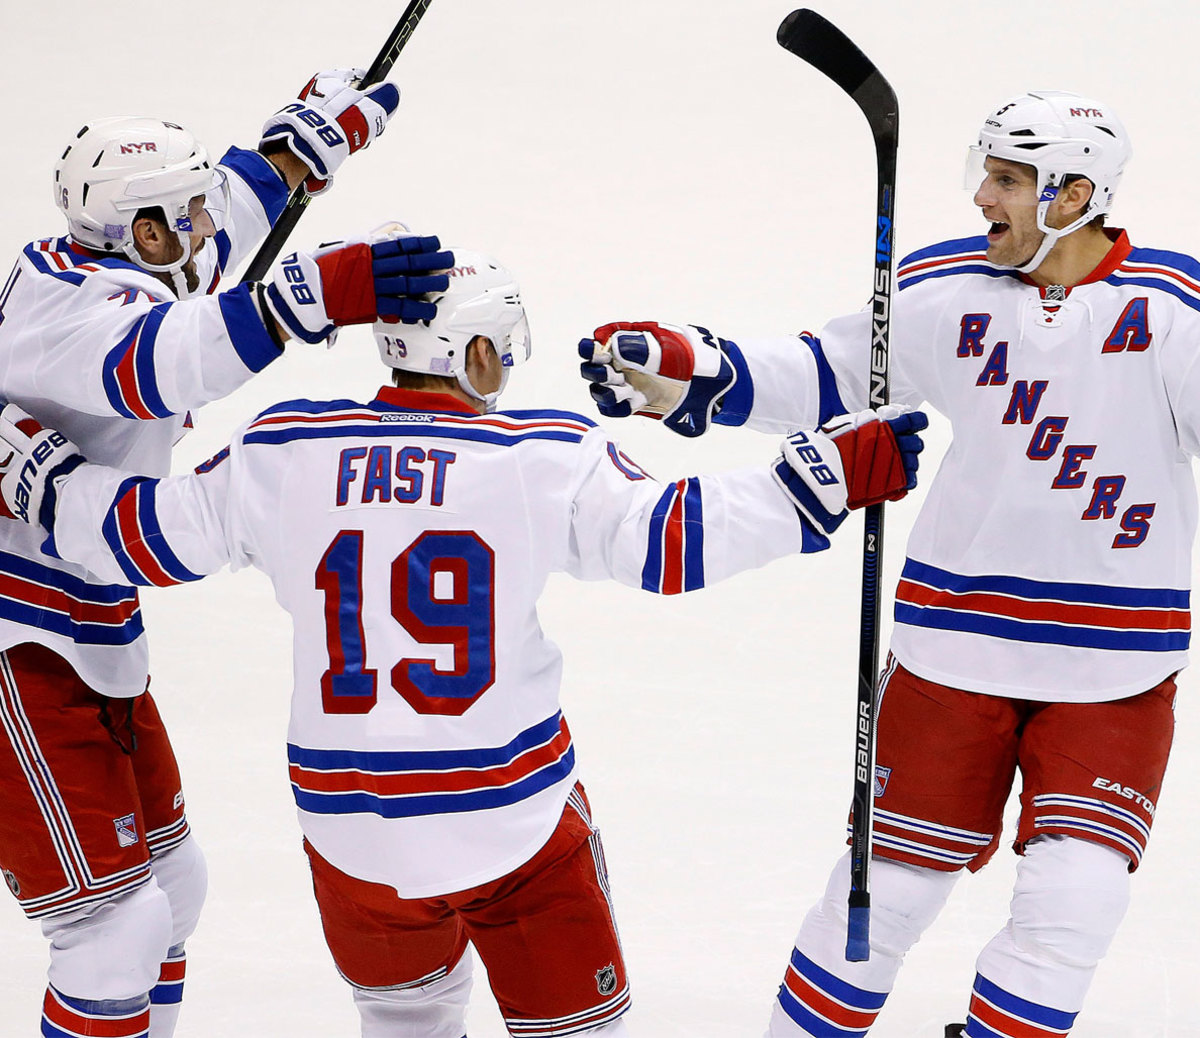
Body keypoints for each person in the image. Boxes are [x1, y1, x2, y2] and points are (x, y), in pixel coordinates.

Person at [0, 246, 926, 1037]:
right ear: (476, 352)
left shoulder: (283, 450)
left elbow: (138, 536)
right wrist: (817, 481)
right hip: (507, 827)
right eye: (502, 346)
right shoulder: (537, 457)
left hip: (351, 840)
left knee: (406, 1019)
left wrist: (37, 470)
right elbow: (670, 540)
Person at [577, 90, 1196, 1036]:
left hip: (1114, 663)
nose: (982, 197)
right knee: (887, 891)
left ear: (1074, 196)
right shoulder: (946, 287)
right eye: (987, 174)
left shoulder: (1176, 309)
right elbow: (824, 375)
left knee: (1075, 901)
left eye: (1008, 180)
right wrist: (695, 369)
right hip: (953, 644)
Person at [0, 70, 452, 1038]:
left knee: (173, 889)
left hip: (83, 623)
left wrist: (299, 149)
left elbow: (222, 242)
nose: (206, 227)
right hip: (16, 639)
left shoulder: (135, 256)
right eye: (186, 214)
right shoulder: (66, 316)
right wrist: (312, 296)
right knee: (111, 932)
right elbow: (164, 362)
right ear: (144, 232)